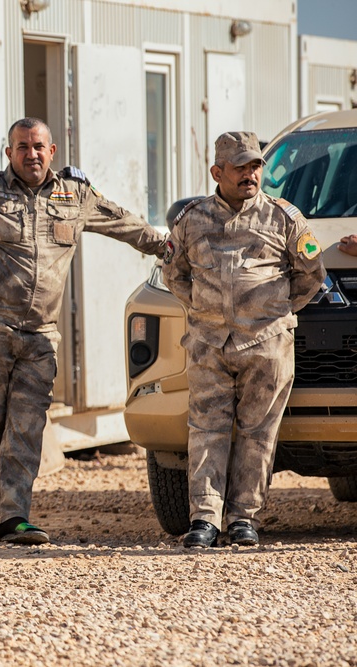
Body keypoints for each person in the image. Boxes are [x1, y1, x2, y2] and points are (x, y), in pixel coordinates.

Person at [0, 117, 169, 545]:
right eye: (22, 147)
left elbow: (126, 224)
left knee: (26, 428)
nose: (31, 154)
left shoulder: (74, 195)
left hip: (40, 335)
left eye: (39, 147)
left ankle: (12, 517)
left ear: (53, 152)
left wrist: (171, 246)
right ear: (9, 152)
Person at [162, 131, 325, 548]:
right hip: (209, 344)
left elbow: (311, 276)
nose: (250, 174)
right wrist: (207, 311)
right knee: (205, 428)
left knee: (258, 432)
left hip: (267, 345)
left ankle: (242, 518)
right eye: (240, 167)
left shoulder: (284, 218)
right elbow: (174, 274)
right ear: (217, 172)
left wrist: (274, 314)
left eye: (255, 166)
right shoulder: (191, 219)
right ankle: (204, 518)